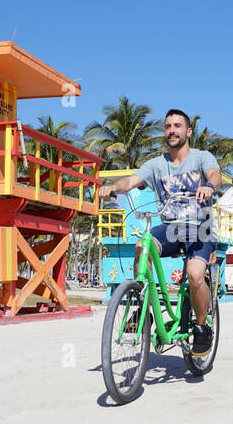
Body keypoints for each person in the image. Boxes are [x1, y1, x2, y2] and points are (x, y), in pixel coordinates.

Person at [96, 109, 223, 355]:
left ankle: (201, 327)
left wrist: (208, 186)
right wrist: (113, 187)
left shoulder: (201, 157)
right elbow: (131, 181)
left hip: (200, 227)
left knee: (195, 273)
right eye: (167, 126)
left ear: (188, 131)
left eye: (177, 125)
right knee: (143, 246)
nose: (171, 130)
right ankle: (142, 307)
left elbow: (215, 175)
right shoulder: (156, 164)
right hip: (171, 228)